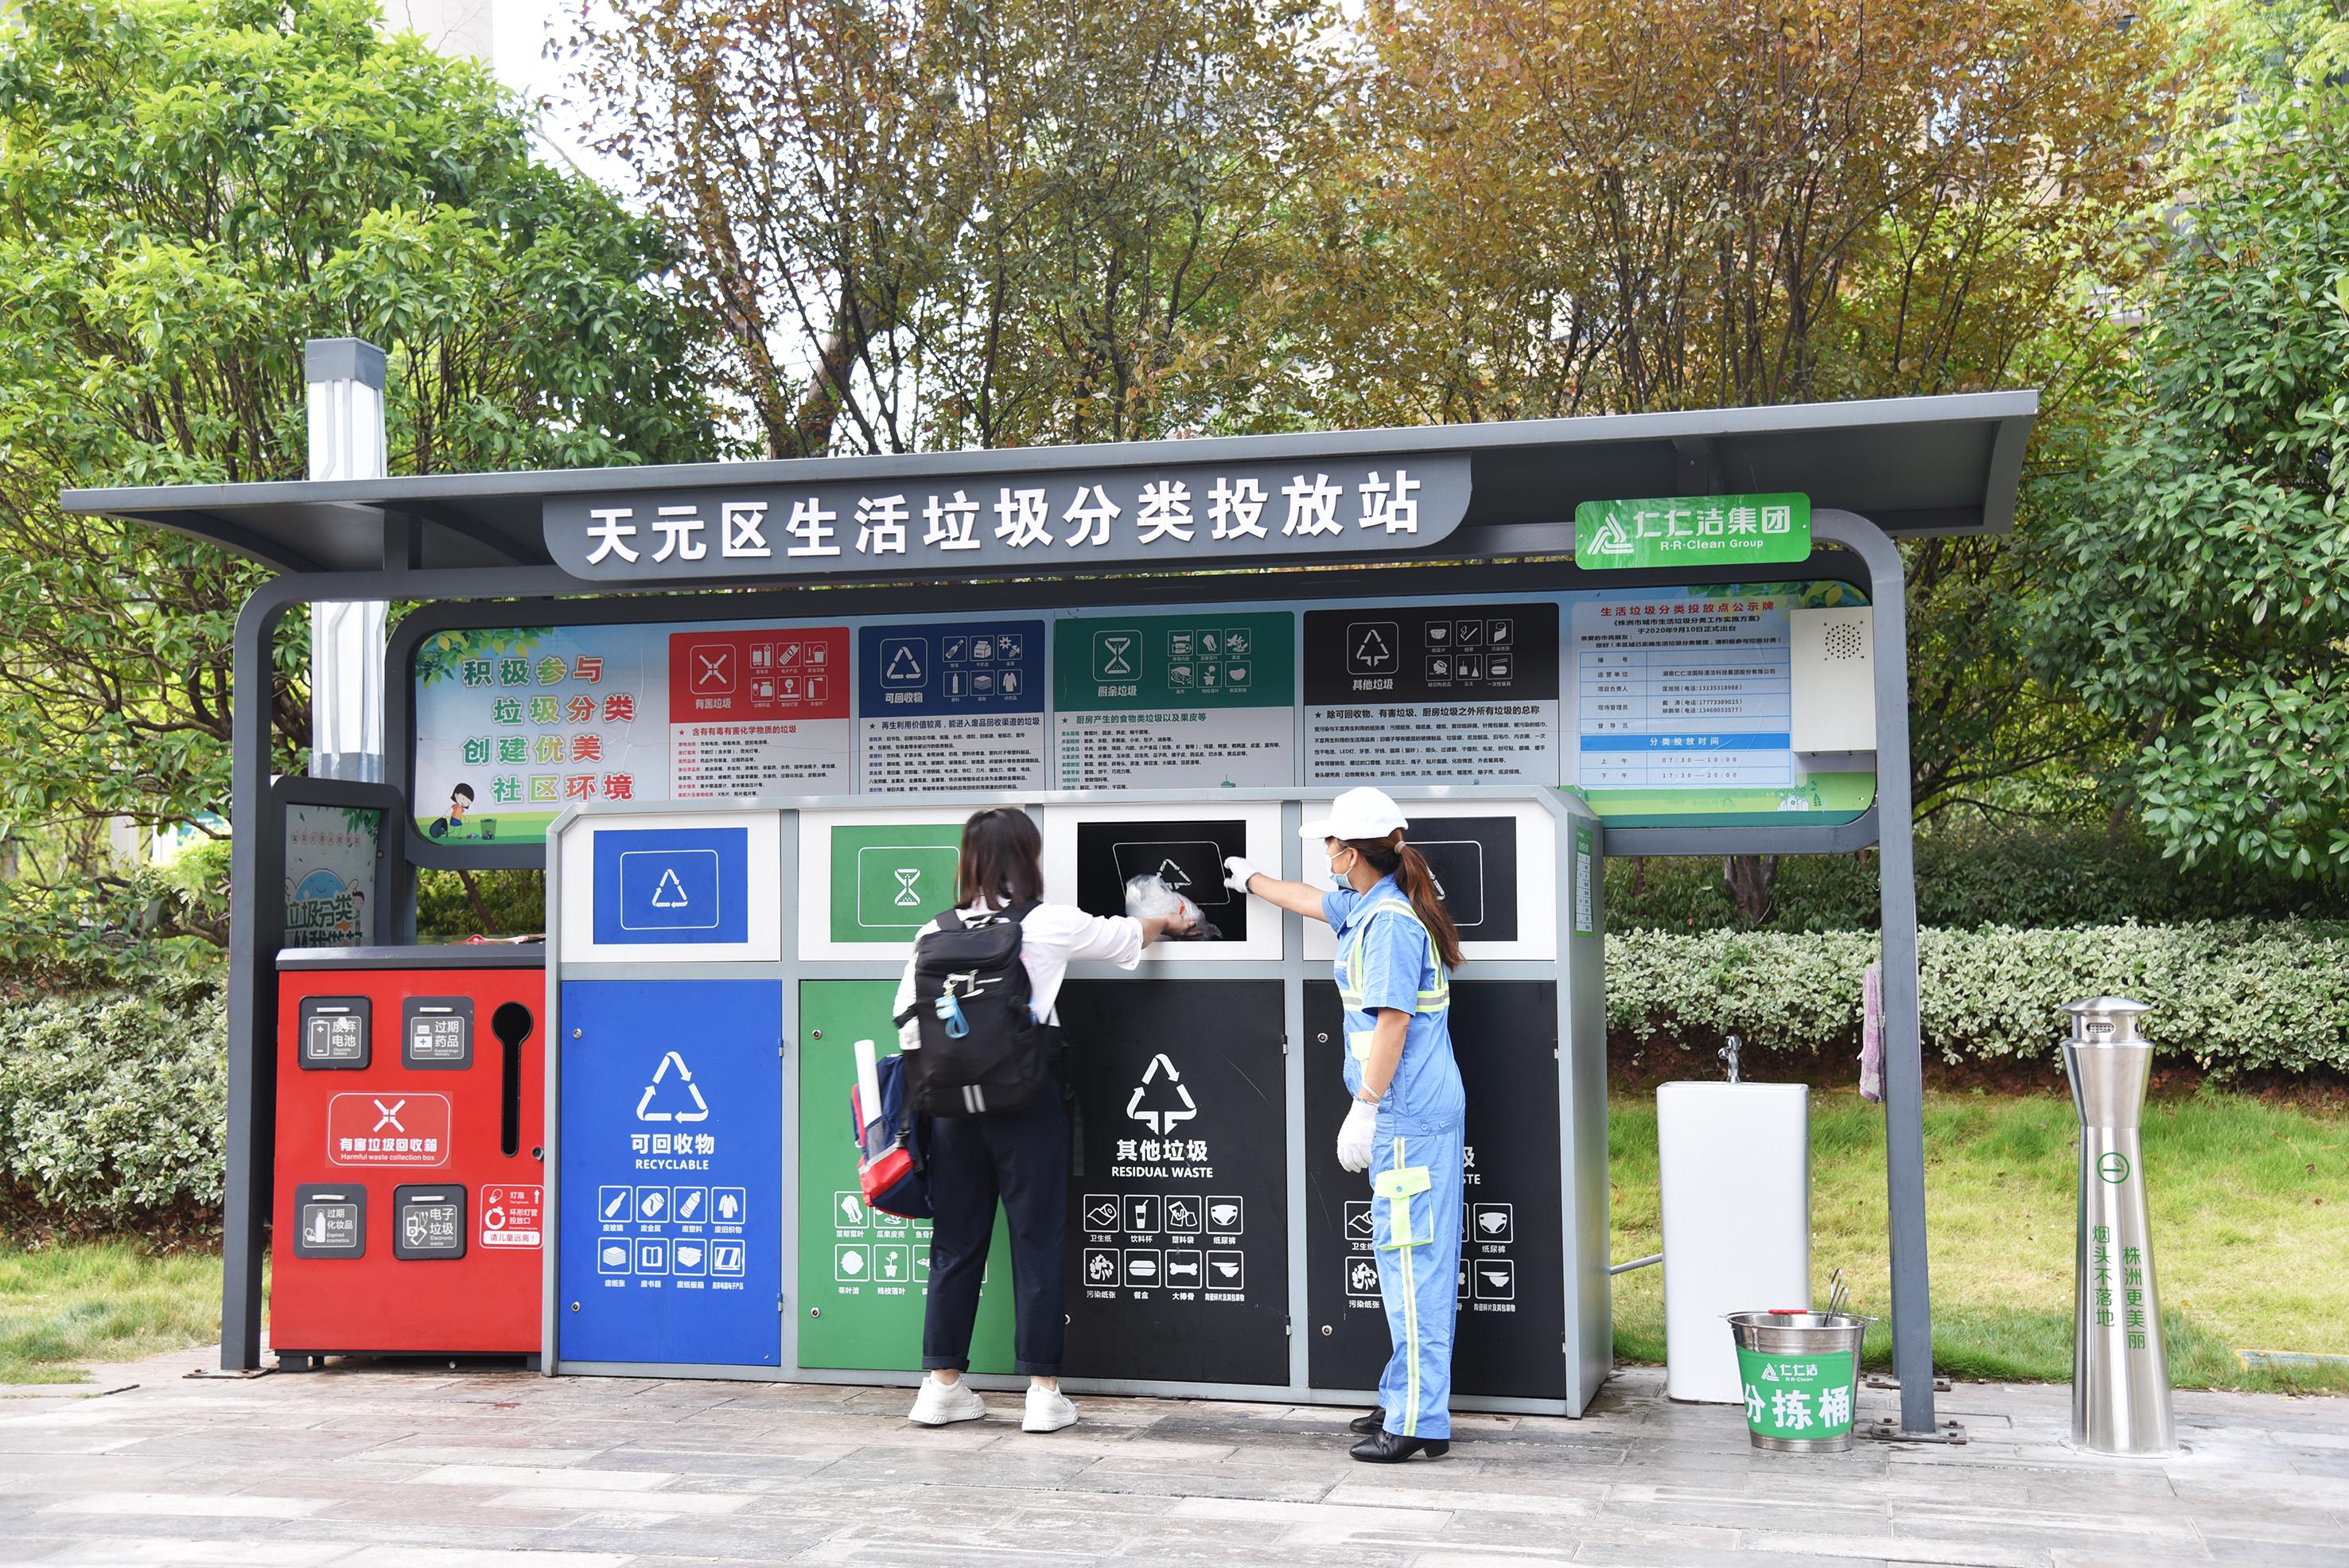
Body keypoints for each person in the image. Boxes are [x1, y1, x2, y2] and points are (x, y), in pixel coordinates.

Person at [891, 807, 1192, 1434]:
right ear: (1028, 858)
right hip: (1024, 1102)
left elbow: (906, 1020)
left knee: (955, 1243)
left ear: (967, 860)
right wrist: (1167, 918)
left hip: (949, 1109)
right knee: (1037, 1242)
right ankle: (1041, 1393)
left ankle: (940, 1387)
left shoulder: (932, 930)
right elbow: (1125, 938)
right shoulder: (1048, 921)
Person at [1223, 786, 1465, 1462]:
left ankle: (1418, 1418)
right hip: (1405, 1113)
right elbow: (1308, 899)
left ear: (1352, 852)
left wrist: (1365, 1104)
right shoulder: (1368, 904)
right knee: (1405, 1260)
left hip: (1405, 1115)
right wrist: (1250, 879)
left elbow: (1392, 1022)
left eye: (1330, 842)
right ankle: (1404, 1395)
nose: (1325, 851)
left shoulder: (1388, 924)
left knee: (1412, 1266)